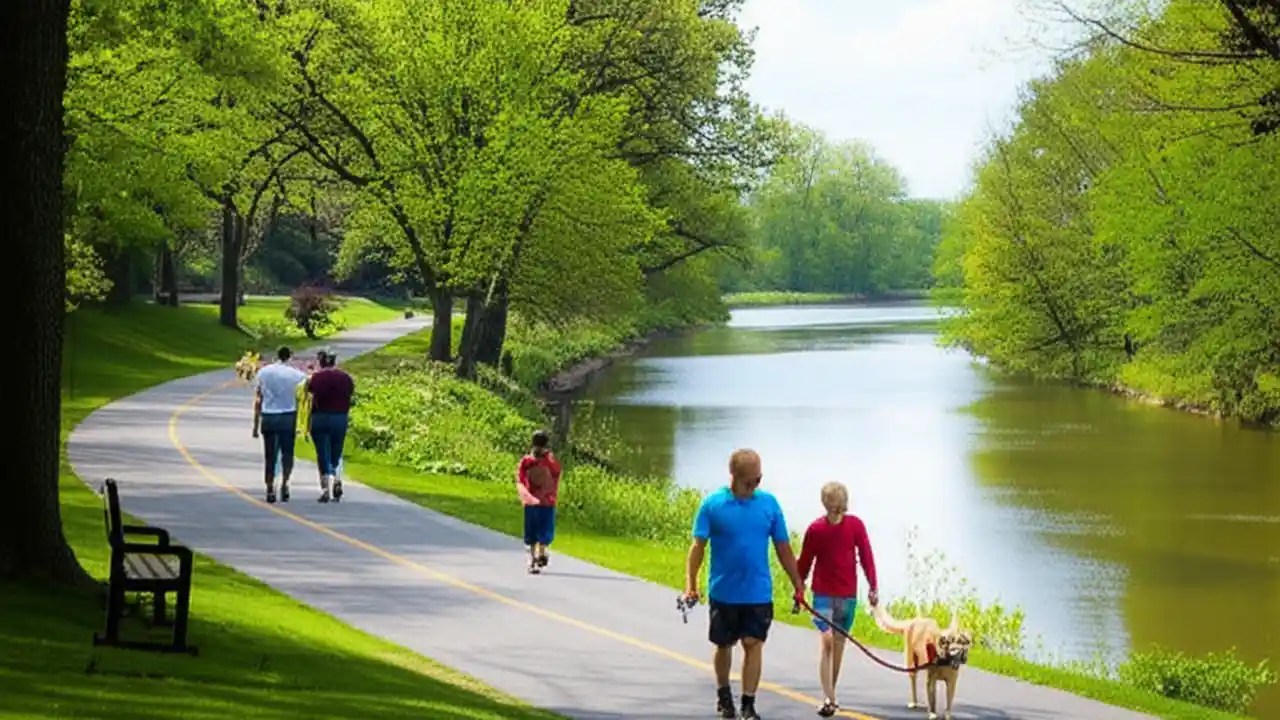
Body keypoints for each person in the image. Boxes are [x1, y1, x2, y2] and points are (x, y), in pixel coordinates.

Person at [683, 448, 806, 720]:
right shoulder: (713, 505)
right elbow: (697, 548)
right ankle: (724, 695)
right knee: (724, 645)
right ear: (734, 477)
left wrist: (797, 581)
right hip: (723, 592)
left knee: (753, 643)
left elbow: (783, 547)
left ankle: (748, 704)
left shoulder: (769, 504)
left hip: (758, 592)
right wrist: (691, 584)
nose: (755, 486)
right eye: (750, 481)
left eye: (759, 480)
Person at [797, 481, 879, 717]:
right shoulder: (815, 530)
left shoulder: (855, 526)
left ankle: (830, 692)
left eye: (843, 508)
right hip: (823, 593)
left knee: (839, 644)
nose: (839, 513)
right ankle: (829, 698)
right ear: (826, 506)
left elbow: (866, 557)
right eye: (835, 509)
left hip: (847, 595)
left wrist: (873, 586)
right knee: (827, 641)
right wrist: (798, 587)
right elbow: (805, 561)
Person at [252, 346, 308, 503]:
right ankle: (285, 483)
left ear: (277, 356)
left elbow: (258, 399)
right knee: (287, 453)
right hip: (287, 416)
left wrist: (255, 426)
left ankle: (270, 487)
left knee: (270, 455)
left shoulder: (263, 372)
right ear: (289, 357)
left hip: (269, 416)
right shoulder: (296, 374)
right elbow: (306, 389)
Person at [306, 349, 355, 503]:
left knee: (322, 453)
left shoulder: (317, 377)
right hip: (339, 417)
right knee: (337, 450)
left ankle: (325, 489)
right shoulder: (346, 378)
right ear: (334, 361)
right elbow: (350, 395)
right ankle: (338, 479)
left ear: (321, 362)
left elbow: (310, 393)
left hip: (320, 416)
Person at [515, 429, 561, 574]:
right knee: (541, 530)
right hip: (543, 502)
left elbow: (521, 479)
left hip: (537, 501)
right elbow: (556, 475)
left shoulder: (528, 461)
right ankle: (538, 555)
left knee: (535, 530)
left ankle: (536, 557)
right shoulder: (545, 462)